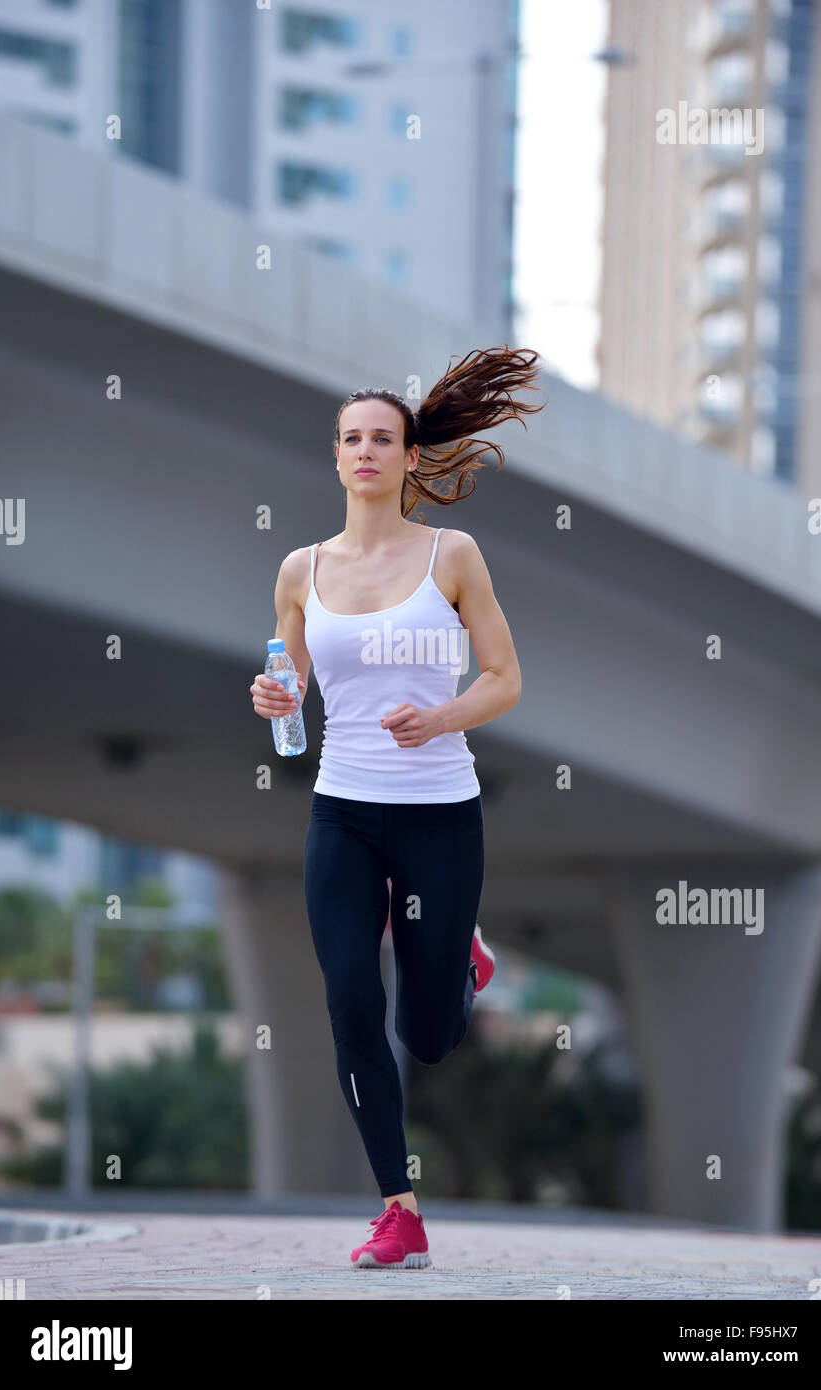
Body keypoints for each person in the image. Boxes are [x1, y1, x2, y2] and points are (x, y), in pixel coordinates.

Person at [250, 345, 545, 1268]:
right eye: (351, 438)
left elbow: (505, 680)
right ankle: (398, 1210)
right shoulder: (300, 570)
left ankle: (463, 958)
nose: (366, 451)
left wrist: (443, 716)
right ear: (335, 457)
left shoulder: (451, 556)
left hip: (437, 811)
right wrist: (274, 702)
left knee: (427, 1032)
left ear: (411, 458)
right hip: (341, 810)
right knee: (347, 998)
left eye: (383, 437)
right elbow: (289, 687)